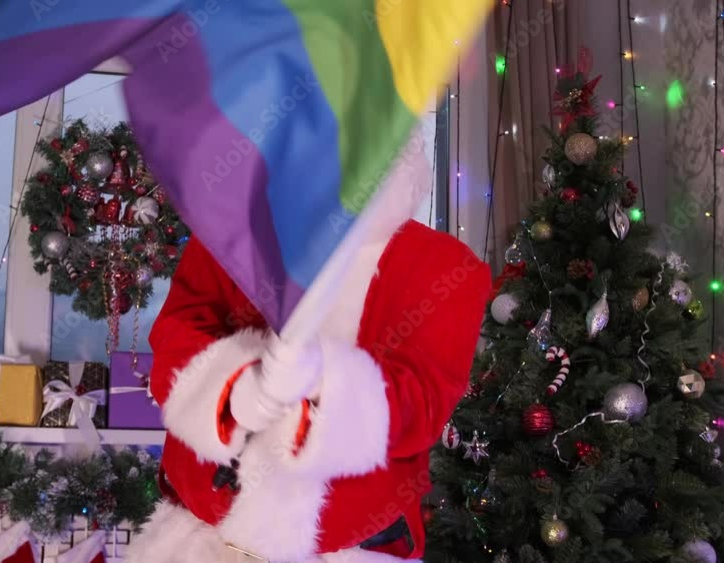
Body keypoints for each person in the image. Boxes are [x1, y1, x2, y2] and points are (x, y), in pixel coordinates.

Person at [128, 142, 490, 562]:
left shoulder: (444, 267)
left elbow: (422, 403)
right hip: (197, 536)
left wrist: (320, 383)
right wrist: (237, 389)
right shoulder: (231, 230)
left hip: (350, 547)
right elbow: (178, 331)